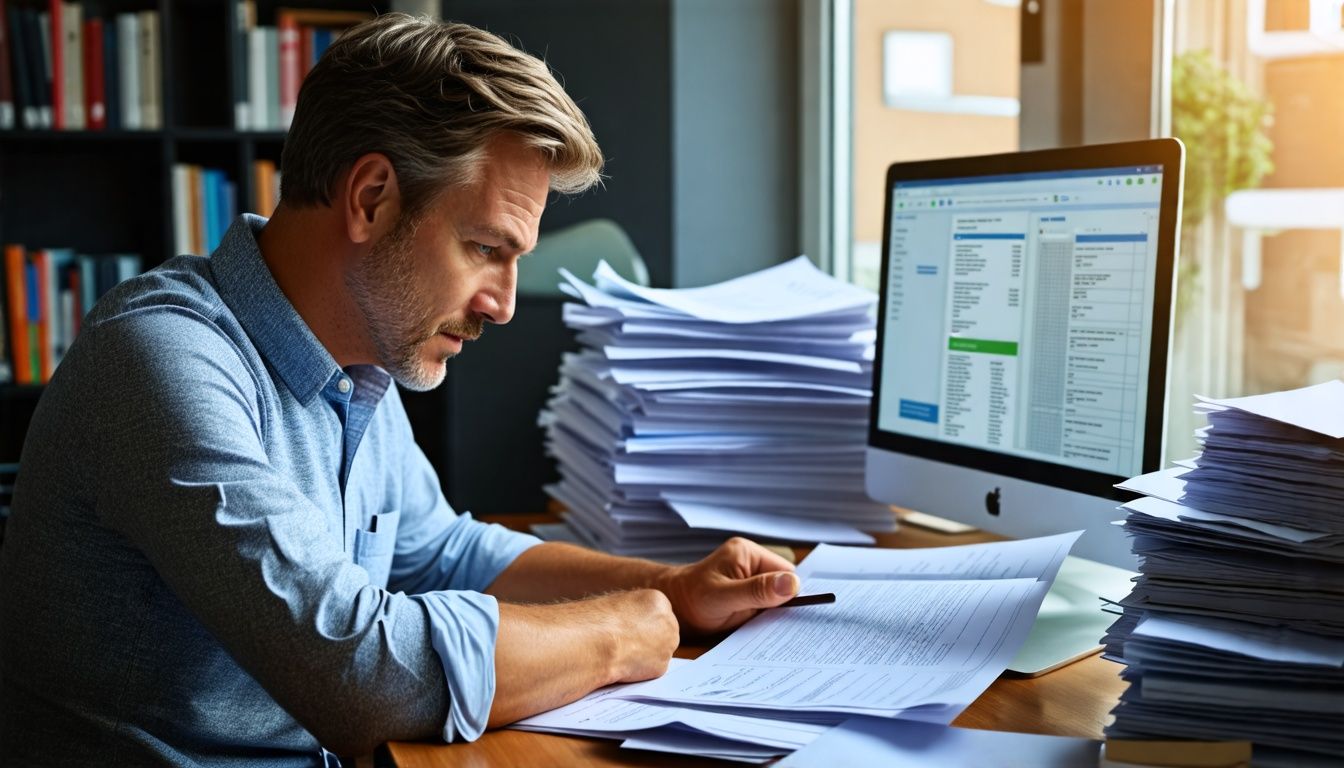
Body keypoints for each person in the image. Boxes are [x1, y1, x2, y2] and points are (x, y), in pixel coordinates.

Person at [0, 14, 801, 766]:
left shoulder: (357, 366)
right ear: (372, 198)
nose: (506, 303)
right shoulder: (161, 360)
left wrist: (669, 587)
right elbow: (364, 674)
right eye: (487, 247)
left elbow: (443, 553)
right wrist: (621, 632)